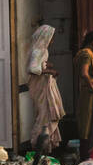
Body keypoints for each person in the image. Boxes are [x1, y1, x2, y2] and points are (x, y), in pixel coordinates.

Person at [26, 20, 65, 154]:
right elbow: (32, 69)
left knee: (46, 115)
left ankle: (45, 147)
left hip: (43, 85)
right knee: (43, 116)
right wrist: (50, 71)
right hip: (40, 87)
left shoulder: (42, 50)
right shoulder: (38, 50)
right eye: (51, 37)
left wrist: (47, 66)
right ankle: (37, 145)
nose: (52, 40)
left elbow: (39, 65)